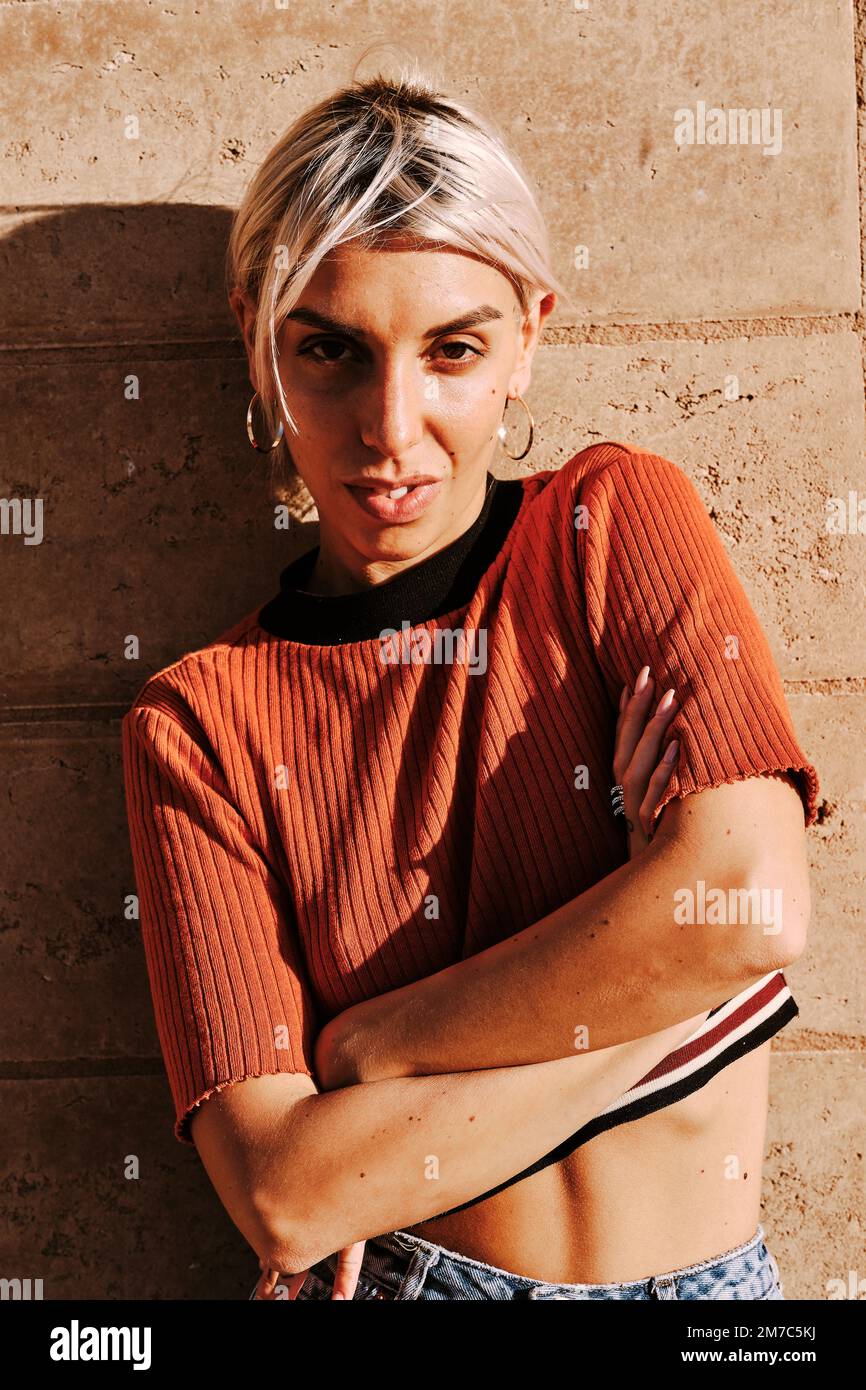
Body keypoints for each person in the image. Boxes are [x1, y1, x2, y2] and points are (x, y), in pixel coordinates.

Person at [121, 66, 819, 1302]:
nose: (391, 429)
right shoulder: (200, 722)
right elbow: (285, 1197)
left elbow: (747, 909)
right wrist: (675, 1009)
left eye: (451, 350)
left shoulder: (608, 528)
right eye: (329, 351)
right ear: (256, 341)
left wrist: (372, 1048)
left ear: (528, 339)